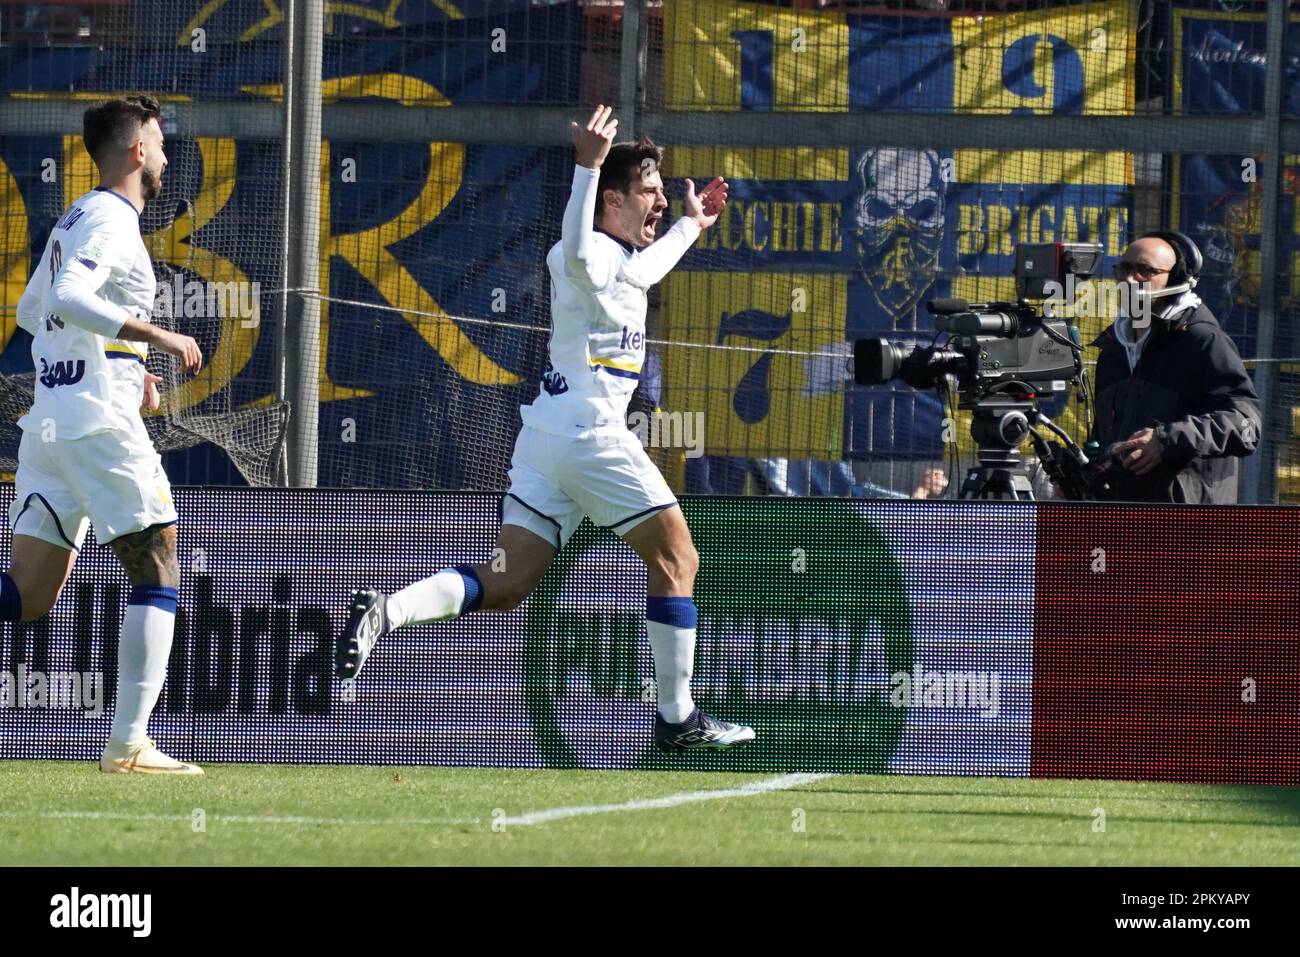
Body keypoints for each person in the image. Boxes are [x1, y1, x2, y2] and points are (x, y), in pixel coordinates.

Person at [336, 106, 755, 751]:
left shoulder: (622, 262)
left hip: (548, 440)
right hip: (589, 433)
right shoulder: (578, 251)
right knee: (678, 557)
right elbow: (583, 251)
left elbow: (640, 272)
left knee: (506, 579)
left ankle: (387, 612)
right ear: (611, 199)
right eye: (650, 191)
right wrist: (585, 167)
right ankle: (677, 720)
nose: (661, 199)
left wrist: (689, 226)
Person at [9, 94, 205, 773]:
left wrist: (126, 366)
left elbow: (33, 314)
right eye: (158, 142)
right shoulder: (113, 223)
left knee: (27, 598)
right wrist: (157, 336)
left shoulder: (75, 217)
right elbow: (62, 300)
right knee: (160, 563)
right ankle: (128, 745)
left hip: (52, 427)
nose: (165, 156)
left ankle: (128, 743)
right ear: (135, 152)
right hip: (94, 424)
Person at [1087, 231, 1260, 503]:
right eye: (1125, 268)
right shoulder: (1113, 348)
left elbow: (1247, 425)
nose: (1130, 280)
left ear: (1177, 277)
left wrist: (1167, 440)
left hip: (1189, 525)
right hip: (1125, 519)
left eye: (1145, 270)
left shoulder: (1202, 340)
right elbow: (1107, 439)